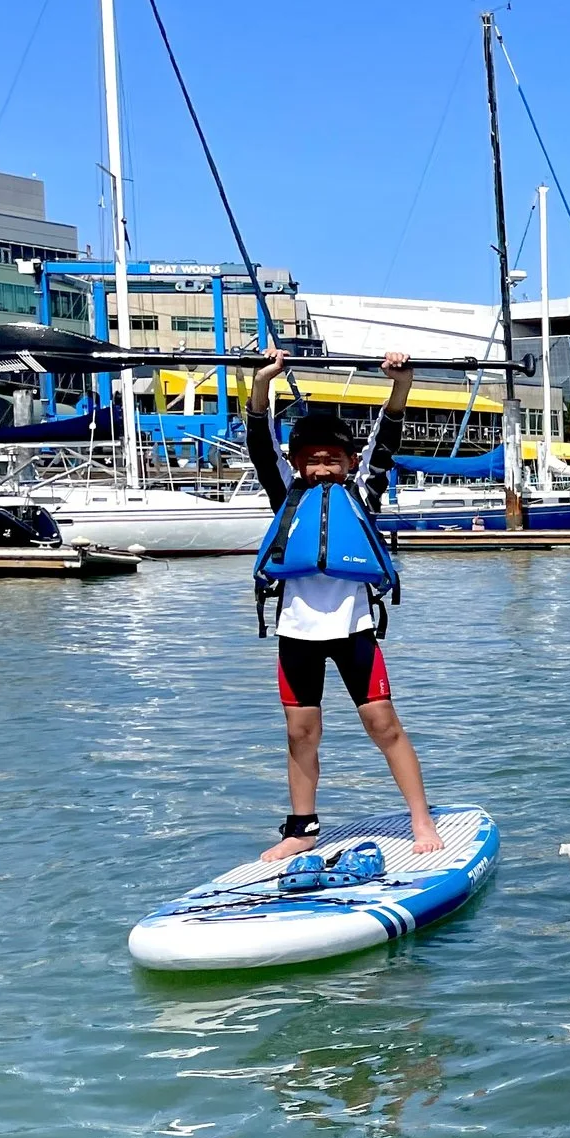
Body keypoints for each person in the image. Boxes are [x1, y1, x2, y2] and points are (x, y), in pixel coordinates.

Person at [247, 347, 444, 863]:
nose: (321, 464)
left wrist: (400, 383)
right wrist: (264, 381)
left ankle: (420, 817)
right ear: (296, 463)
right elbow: (259, 438)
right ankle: (302, 828)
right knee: (300, 731)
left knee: (383, 723)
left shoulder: (364, 489)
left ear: (350, 461)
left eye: (332, 456)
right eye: (311, 457)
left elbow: (390, 432)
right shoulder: (284, 490)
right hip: (297, 633)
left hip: (355, 629)